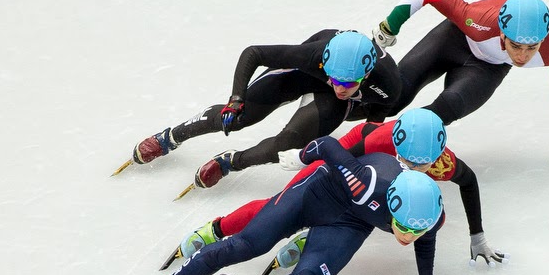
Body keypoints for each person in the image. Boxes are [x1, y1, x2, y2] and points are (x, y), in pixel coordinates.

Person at [121, 109, 457, 275]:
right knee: (246, 246)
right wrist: (298, 157)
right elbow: (327, 145)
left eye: (415, 231)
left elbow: (426, 242)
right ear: (392, 206)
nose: (407, 237)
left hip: (350, 224)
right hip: (317, 194)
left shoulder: (428, 215)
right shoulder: (366, 183)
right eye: (404, 227)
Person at [177, 112, 506, 273]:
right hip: (354, 154)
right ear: (398, 147)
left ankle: (314, 235)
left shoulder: (443, 164)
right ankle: (215, 229)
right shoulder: (381, 140)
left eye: (421, 166)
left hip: (375, 176)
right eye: (406, 160)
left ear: (435, 160)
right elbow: (341, 161)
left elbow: (469, 180)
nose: (412, 168)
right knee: (286, 199)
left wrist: (477, 236)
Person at [126, 29, 401, 188]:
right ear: (325, 64)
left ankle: (230, 161)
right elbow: (253, 53)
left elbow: (378, 115)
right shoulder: (315, 55)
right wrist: (235, 100)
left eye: (347, 82)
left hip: (334, 104)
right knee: (237, 117)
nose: (337, 85)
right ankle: (171, 137)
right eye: (333, 77)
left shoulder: (388, 83)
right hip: (301, 74)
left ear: (366, 76)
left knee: (284, 147)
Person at [371, 0, 549, 159]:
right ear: (502, 34)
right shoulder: (478, 20)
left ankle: (382, 146)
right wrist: (390, 25)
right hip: (453, 39)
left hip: (487, 69)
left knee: (443, 110)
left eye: (532, 48)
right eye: (515, 45)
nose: (522, 56)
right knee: (393, 95)